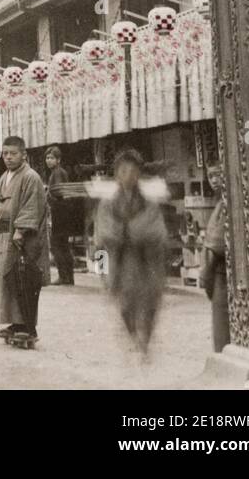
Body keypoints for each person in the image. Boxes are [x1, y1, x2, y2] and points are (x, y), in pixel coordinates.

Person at [94, 148, 169, 358]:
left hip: (146, 258)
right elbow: (102, 232)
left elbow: (156, 228)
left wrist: (132, 228)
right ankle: (134, 334)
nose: (128, 175)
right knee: (126, 303)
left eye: (133, 170)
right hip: (122, 258)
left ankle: (145, 339)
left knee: (150, 301)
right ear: (117, 173)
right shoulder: (108, 202)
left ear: (139, 173)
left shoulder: (148, 200)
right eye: (123, 170)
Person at [0, 135, 49, 342]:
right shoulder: (4, 177)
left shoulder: (31, 177)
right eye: (5, 154)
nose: (9, 158)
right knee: (8, 282)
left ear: (24, 155)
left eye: (13, 153)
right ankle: (15, 323)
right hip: (5, 237)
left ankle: (27, 327)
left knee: (24, 281)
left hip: (22, 238)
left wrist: (21, 230)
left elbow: (32, 207)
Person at [201, 164, 230, 353]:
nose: (214, 180)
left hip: (220, 271)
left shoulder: (225, 204)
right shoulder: (220, 203)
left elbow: (216, 245)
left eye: (218, 175)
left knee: (222, 323)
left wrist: (206, 273)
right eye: (210, 176)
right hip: (218, 271)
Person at [44, 146, 75, 286]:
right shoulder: (60, 172)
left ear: (58, 160)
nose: (48, 161)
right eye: (47, 158)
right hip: (64, 211)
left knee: (57, 244)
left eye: (51, 158)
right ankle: (69, 277)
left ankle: (63, 276)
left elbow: (57, 193)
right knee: (64, 245)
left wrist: (47, 194)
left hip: (59, 211)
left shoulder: (57, 173)